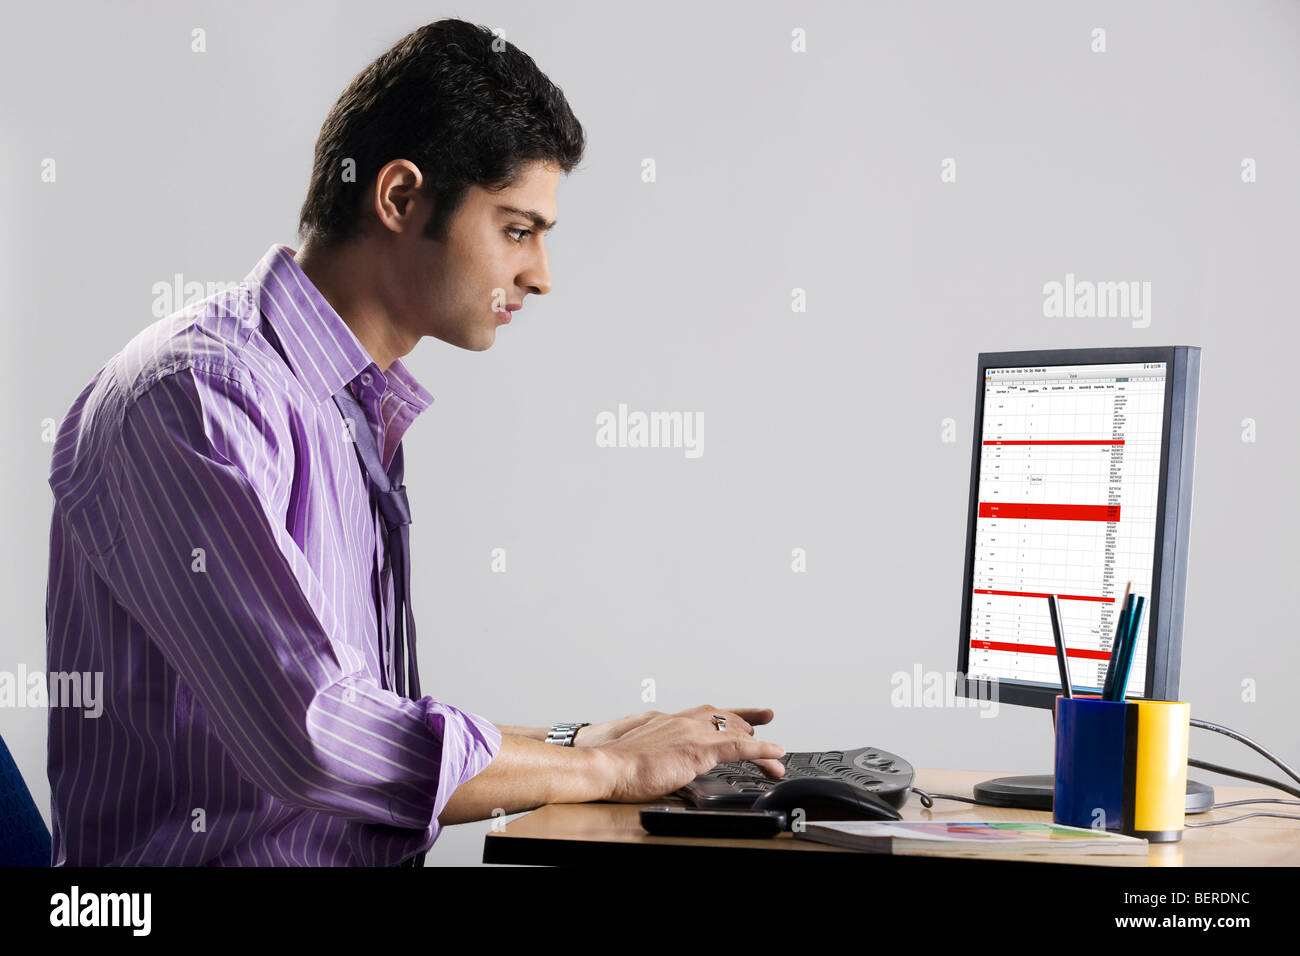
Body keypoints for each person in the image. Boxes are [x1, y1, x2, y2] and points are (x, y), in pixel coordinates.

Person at [44, 17, 784, 866]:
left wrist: (580, 743)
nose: (541, 274)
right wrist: (610, 767)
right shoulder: (197, 397)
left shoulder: (342, 404)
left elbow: (362, 718)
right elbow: (320, 736)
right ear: (398, 198)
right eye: (517, 229)